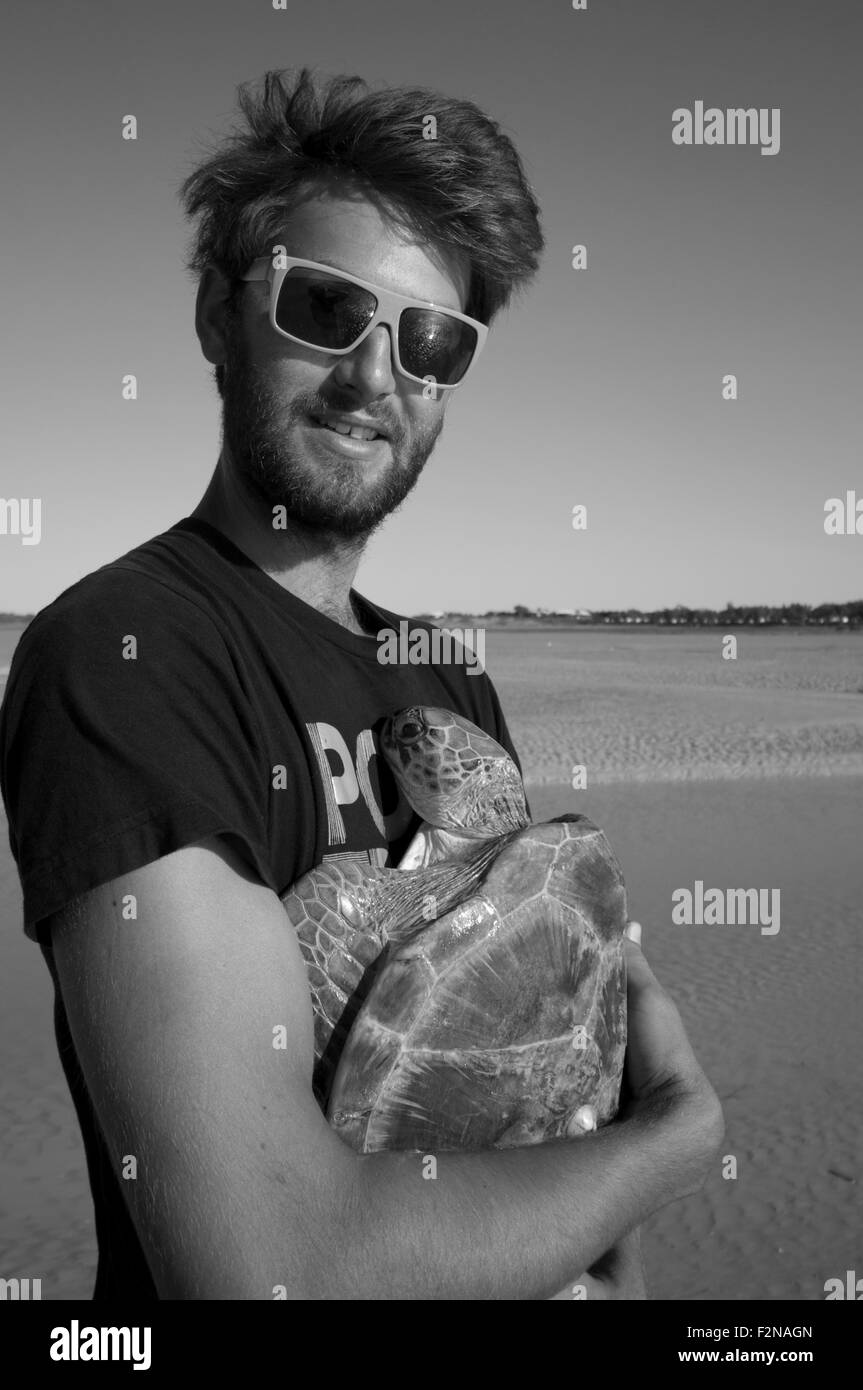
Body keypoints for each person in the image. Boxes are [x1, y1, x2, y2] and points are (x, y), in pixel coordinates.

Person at [0, 69, 723, 1300]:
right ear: (219, 316)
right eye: (324, 306)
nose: (373, 375)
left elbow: (572, 1065)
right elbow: (270, 1268)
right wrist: (674, 1143)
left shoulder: (441, 679)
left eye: (431, 338)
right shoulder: (127, 652)